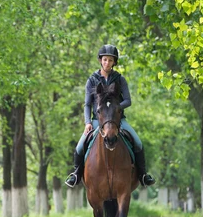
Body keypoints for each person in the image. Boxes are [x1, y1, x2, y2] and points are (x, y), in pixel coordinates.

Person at [65, 44, 155, 188]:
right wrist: (88, 122)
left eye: (110, 60)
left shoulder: (120, 79)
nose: (107, 63)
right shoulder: (92, 80)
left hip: (117, 120)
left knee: (138, 142)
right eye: (105, 60)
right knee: (79, 147)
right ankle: (75, 174)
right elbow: (87, 104)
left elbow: (128, 100)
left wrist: (116, 108)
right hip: (97, 121)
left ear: (114, 62)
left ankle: (143, 175)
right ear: (101, 60)